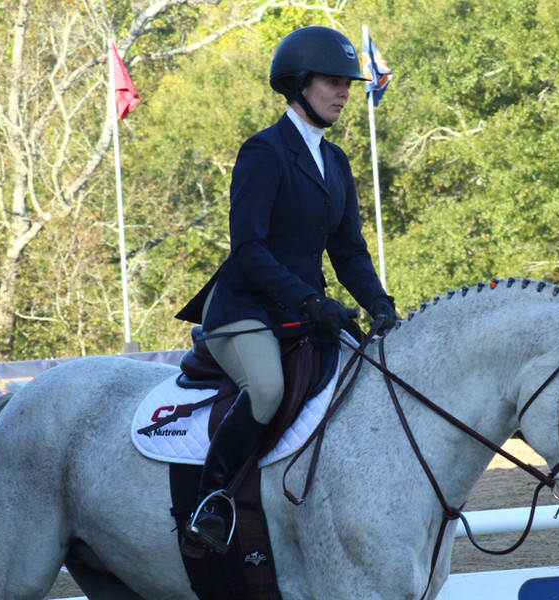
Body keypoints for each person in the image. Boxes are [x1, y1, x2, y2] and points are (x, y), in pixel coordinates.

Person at [174, 25, 397, 558]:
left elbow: (348, 252)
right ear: (297, 85)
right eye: (332, 82)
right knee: (269, 389)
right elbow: (248, 249)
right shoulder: (264, 151)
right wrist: (309, 300)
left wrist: (380, 304)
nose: (345, 92)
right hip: (246, 310)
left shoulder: (336, 161)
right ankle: (212, 501)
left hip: (303, 311)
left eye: (348, 83)